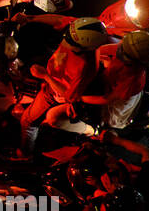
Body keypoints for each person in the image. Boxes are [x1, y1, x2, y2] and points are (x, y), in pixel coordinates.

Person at [17, 17, 111, 156]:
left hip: (54, 92)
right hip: (51, 74)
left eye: (71, 42)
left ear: (84, 48)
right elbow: (59, 21)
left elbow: (70, 96)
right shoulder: (78, 32)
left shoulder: (86, 67)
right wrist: (29, 18)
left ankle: (25, 155)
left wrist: (46, 77)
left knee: (28, 120)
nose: (65, 41)